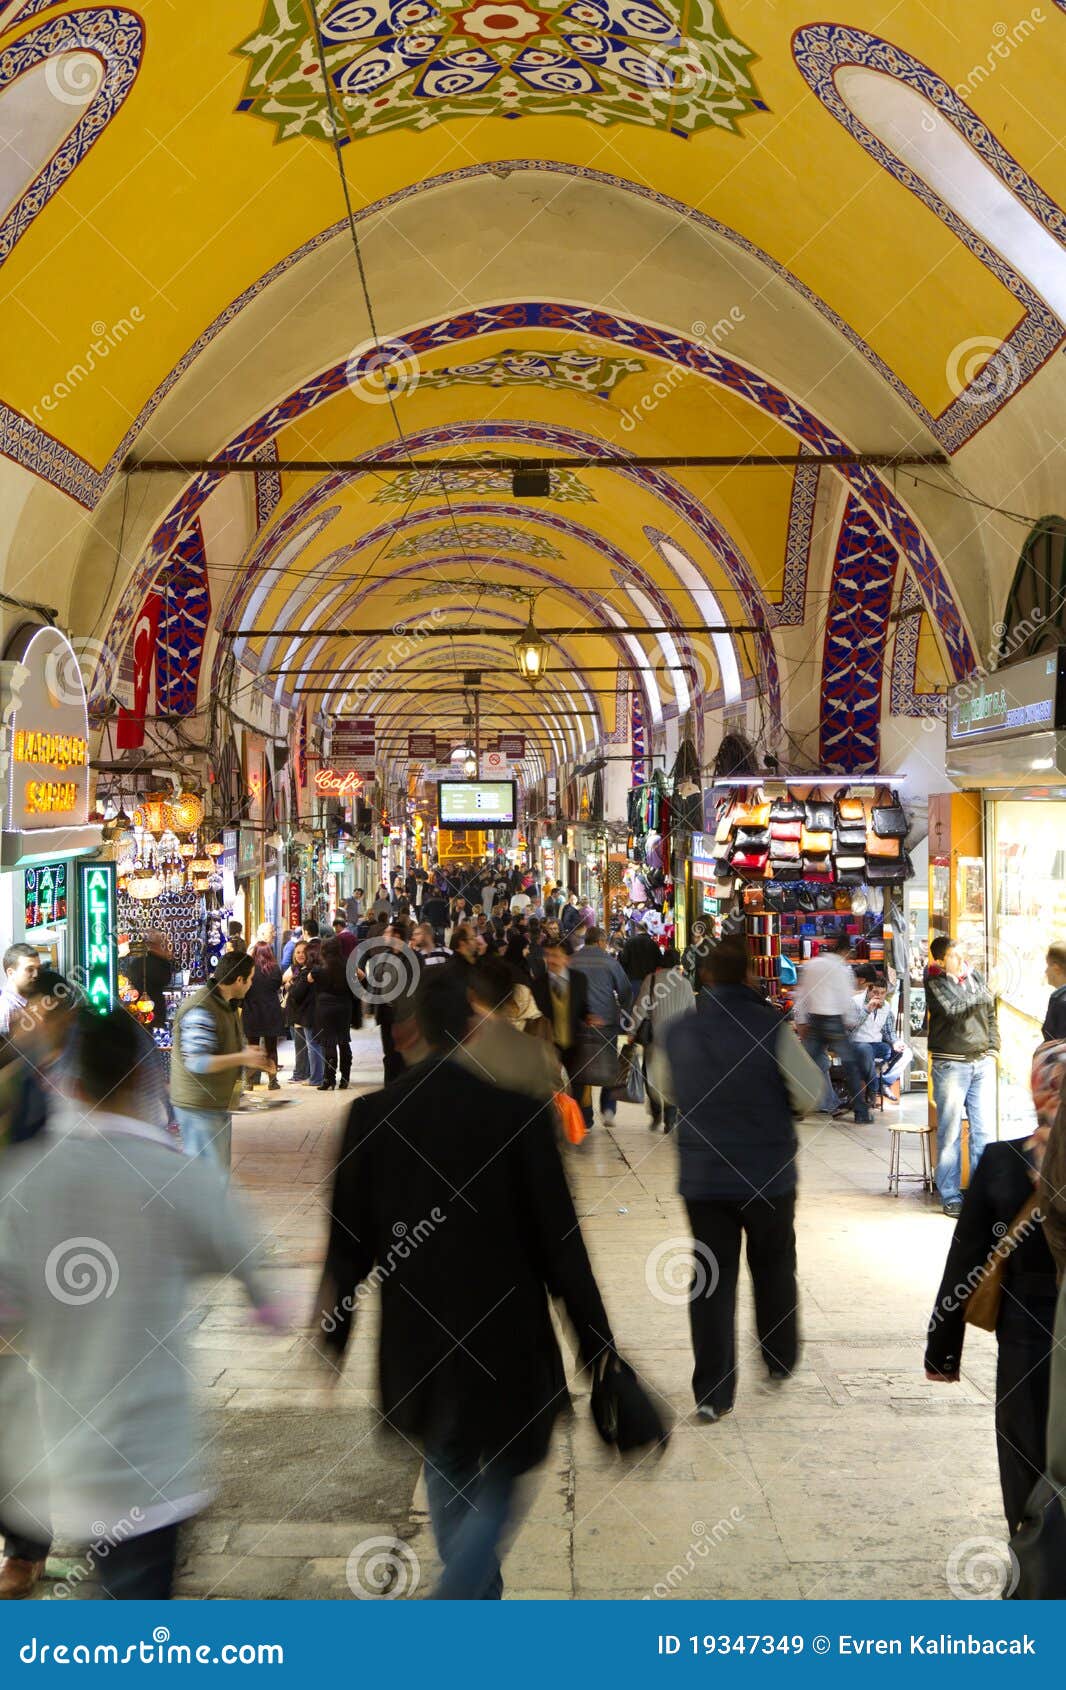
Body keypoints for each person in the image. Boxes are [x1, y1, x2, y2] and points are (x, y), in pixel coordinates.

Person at [313, 968, 618, 1599]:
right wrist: (599, 1351)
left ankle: (468, 1597)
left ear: (406, 1034)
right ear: (473, 1031)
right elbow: (563, 1251)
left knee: (447, 1459)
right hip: (509, 1336)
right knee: (509, 1463)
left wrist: (333, 1337)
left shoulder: (372, 1117)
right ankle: (465, 1600)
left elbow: (348, 1246)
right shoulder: (518, 1117)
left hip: (419, 1338)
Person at [0, 1007, 280, 1599]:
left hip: (65, 1463)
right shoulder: (173, 1176)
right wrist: (264, 1307)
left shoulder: (26, 1181)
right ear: (141, 1079)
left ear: (70, 1084)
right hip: (153, 1465)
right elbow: (256, 1271)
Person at [665, 937, 824, 1422]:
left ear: (705, 978)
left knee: (711, 1279)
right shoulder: (770, 1027)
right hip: (767, 1174)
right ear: (751, 976)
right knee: (774, 1264)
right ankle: (778, 1358)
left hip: (705, 1178)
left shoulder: (679, 1031)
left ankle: (713, 1392)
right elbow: (810, 1092)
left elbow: (664, 1087)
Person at [925, 1127, 1058, 1529]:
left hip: (1025, 1331)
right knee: (1025, 1452)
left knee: (1026, 1452)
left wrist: (942, 1347)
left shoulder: (1005, 1160)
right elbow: (967, 1253)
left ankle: (1035, 1563)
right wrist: (942, 1344)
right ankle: (1035, 1564)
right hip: (1024, 1326)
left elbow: (966, 1254)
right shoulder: (1004, 1160)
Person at [170, 953, 274, 1173]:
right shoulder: (201, 1008)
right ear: (239, 980)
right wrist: (242, 1057)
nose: (251, 983)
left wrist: (247, 1055)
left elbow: (218, 1047)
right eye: (251, 978)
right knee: (207, 1177)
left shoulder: (224, 1004)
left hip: (214, 1103)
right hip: (199, 1106)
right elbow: (197, 1062)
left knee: (216, 1173)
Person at [925, 935, 1000, 1219]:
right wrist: (988, 990)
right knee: (950, 1133)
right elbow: (955, 1010)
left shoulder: (976, 976)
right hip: (950, 1066)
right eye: (954, 956)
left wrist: (993, 1048)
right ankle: (950, 1194)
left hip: (981, 1063)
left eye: (962, 954)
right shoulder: (935, 982)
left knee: (984, 1132)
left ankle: (982, 1194)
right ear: (941, 961)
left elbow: (990, 1014)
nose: (961, 961)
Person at [792, 936, 871, 1125]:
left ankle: (794, 1107)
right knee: (850, 1065)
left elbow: (802, 995)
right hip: (835, 1021)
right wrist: (849, 1022)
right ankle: (861, 1112)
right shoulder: (843, 970)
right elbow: (845, 999)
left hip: (815, 1020)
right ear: (845, 952)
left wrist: (802, 1021)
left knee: (805, 1064)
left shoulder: (813, 965)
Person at [568, 927, 633, 1126]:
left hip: (578, 1022)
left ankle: (583, 1114)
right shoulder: (609, 962)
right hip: (605, 1022)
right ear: (600, 941)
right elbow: (625, 990)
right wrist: (625, 1014)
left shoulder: (572, 960)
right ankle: (608, 1108)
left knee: (578, 1068)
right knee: (608, 1066)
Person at [627, 946, 695, 1133]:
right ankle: (671, 1117)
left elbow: (640, 1008)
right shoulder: (686, 984)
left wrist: (632, 1031)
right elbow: (692, 1015)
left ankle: (656, 1112)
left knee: (650, 1076)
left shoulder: (652, 980)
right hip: (679, 1042)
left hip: (655, 1040)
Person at [850, 978, 905, 1111]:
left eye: (882, 993)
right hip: (858, 1043)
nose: (878, 996)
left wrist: (895, 1041)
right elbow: (850, 1027)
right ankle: (873, 1090)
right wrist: (867, 1009)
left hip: (877, 1044)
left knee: (905, 1052)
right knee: (866, 1050)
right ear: (868, 990)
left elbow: (888, 1031)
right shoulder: (855, 1002)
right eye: (875, 992)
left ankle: (885, 1082)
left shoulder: (886, 1006)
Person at [309, 937, 353, 1092]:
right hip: (344, 1007)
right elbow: (361, 976)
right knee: (344, 1041)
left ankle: (329, 1079)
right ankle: (345, 1079)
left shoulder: (319, 968)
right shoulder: (348, 964)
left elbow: (309, 979)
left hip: (325, 1007)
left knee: (329, 1044)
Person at [241, 941, 285, 1091]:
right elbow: (278, 986)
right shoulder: (275, 969)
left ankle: (249, 1081)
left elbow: (243, 990)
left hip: (252, 1012)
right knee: (271, 1049)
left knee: (252, 1048)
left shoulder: (248, 971)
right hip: (271, 1012)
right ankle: (273, 1081)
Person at [284, 939, 323, 1085]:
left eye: (304, 952)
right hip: (299, 1014)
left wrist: (290, 986)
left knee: (311, 1046)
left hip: (306, 1013)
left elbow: (297, 993)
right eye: (298, 952)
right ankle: (308, 1074)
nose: (300, 955)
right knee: (306, 1046)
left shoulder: (308, 971)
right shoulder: (298, 969)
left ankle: (312, 1077)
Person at [123, 929, 173, 1030]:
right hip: (154, 1013)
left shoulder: (137, 964)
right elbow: (166, 979)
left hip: (138, 1013)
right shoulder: (159, 964)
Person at [0, 945, 39, 1038]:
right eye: (30, 969)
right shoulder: (6, 1009)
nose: (36, 974)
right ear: (11, 973)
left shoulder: (29, 1001)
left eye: (38, 969)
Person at [1043, 943, 1066, 1041]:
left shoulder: (1059, 1002)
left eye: (1048, 966)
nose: (1046, 971)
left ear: (1056, 968)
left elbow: (1054, 1043)